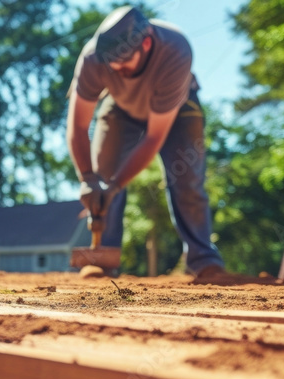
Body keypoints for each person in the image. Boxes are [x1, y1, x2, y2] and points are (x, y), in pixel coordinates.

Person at [66, 5, 226, 280]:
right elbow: (78, 126)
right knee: (102, 177)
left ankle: (203, 260)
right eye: (111, 64)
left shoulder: (176, 49)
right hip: (120, 106)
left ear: (147, 42)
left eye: (124, 62)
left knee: (186, 177)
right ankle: (102, 257)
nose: (118, 68)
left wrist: (117, 186)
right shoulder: (93, 58)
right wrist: (89, 180)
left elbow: (154, 137)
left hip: (177, 111)